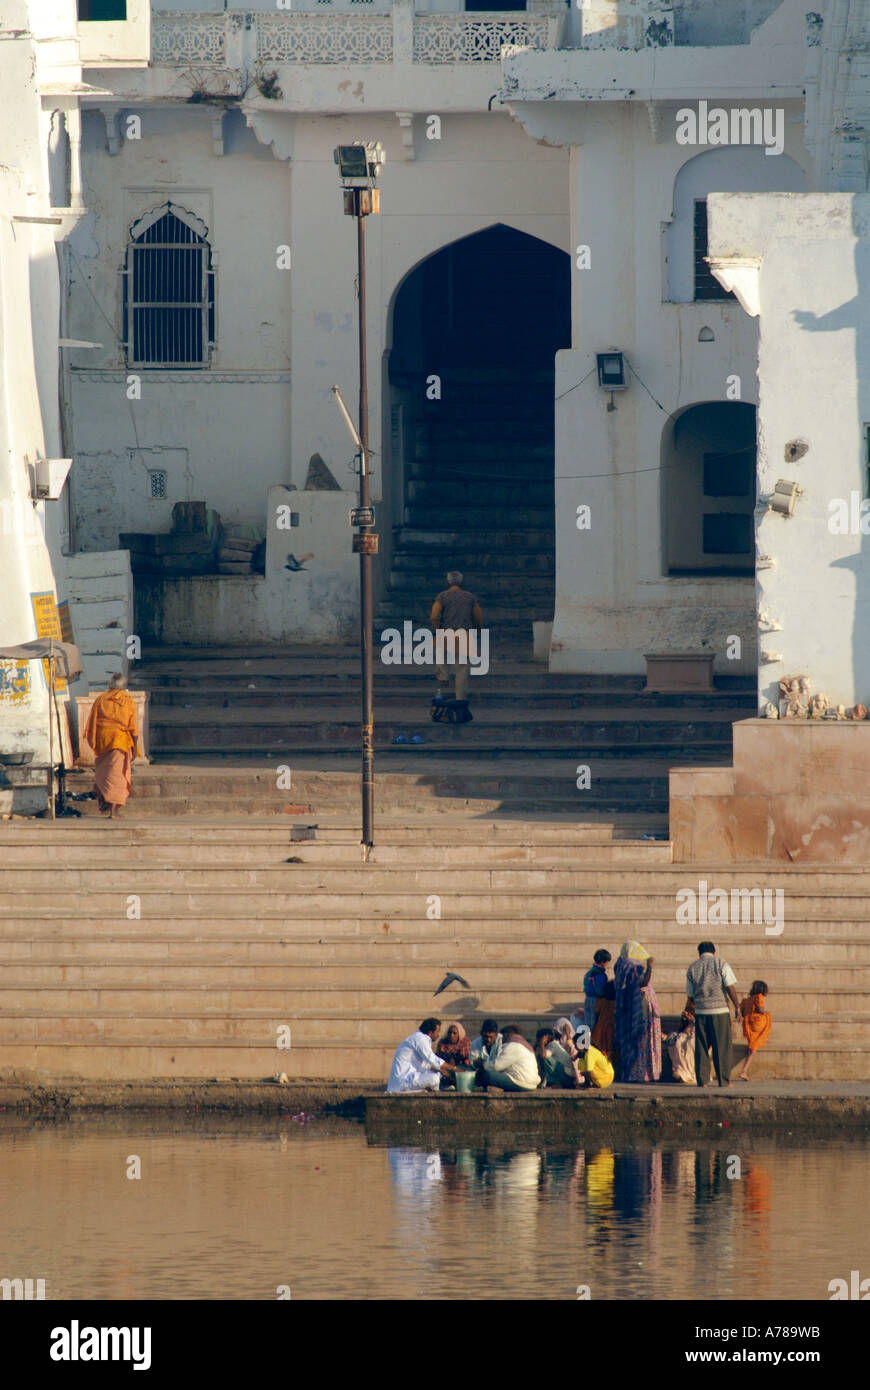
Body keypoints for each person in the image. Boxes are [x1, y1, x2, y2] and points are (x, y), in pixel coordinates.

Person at [84, 673, 140, 820]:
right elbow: (133, 726)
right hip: (119, 741)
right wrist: (135, 746)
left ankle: (103, 797)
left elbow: (91, 722)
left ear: (110, 684)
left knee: (104, 772)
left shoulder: (101, 699)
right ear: (124, 686)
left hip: (103, 740)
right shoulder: (128, 700)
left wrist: (93, 740)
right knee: (117, 776)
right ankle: (113, 810)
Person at [685, 941, 740, 1088]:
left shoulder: (693, 967)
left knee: (702, 1047)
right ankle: (724, 1081)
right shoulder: (721, 963)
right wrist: (737, 1007)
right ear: (713, 951)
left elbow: (690, 996)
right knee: (721, 1047)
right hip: (719, 1011)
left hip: (701, 1012)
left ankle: (702, 1081)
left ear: (699, 953)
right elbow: (729, 986)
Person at [430, 570, 483, 704]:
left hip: (446, 633)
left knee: (441, 655)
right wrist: (477, 631)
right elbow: (478, 616)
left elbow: (434, 616)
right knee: (462, 669)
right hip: (464, 634)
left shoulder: (442, 596)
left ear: (448, 582)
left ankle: (443, 676)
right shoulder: (470, 597)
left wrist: (438, 630)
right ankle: (460, 697)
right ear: (461, 582)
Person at [613, 940, 662, 1082]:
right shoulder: (632, 967)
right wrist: (650, 967)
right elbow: (643, 983)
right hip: (638, 1007)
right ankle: (641, 1073)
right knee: (641, 1039)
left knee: (631, 1040)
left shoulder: (620, 965)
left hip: (626, 1008)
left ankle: (632, 1072)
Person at [387, 1018, 455, 1093]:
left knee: (438, 1075)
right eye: (438, 1032)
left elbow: (426, 1064)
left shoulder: (420, 1038)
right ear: (430, 1032)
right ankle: (435, 1094)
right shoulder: (420, 1039)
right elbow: (432, 1059)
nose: (439, 1035)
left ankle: (434, 1092)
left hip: (408, 1078)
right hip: (402, 1080)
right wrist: (454, 1068)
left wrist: (440, 1070)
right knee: (435, 1079)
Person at [483, 1025, 540, 1092]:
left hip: (522, 1083)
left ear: (507, 1035)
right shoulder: (524, 1046)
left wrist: (483, 1064)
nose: (502, 1040)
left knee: (487, 1074)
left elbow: (497, 1066)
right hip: (531, 1084)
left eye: (502, 1037)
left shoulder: (513, 1046)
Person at [739, 982, 772, 1080]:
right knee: (768, 1017)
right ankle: (743, 1071)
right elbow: (760, 1009)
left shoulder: (747, 1000)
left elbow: (742, 1011)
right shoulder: (759, 997)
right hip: (756, 1023)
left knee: (752, 1045)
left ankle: (744, 1070)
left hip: (748, 1023)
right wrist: (764, 1012)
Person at [664, 1005, 697, 1084]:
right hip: (686, 1034)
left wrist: (694, 1020)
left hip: (696, 1034)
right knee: (678, 1043)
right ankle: (680, 1071)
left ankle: (688, 1074)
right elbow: (681, 1028)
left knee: (690, 1044)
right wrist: (684, 1018)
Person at [583, 949, 612, 1030]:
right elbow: (599, 990)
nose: (607, 963)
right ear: (603, 962)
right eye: (607, 961)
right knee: (595, 1023)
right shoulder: (600, 974)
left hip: (588, 999)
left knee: (588, 1022)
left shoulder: (589, 972)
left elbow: (585, 985)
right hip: (595, 1000)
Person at [436, 1021, 471, 1088]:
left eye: (454, 1033)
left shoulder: (465, 1043)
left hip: (461, 1069)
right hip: (445, 1068)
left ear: (459, 1034)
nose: (451, 1035)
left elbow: (467, 1060)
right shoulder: (442, 1043)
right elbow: (437, 1059)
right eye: (450, 1033)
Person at [591, 978, 616, 1060]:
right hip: (610, 1030)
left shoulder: (601, 1001)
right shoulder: (616, 1004)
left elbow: (596, 1013)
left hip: (599, 1030)